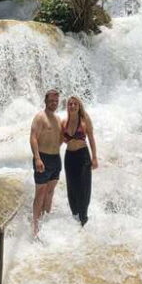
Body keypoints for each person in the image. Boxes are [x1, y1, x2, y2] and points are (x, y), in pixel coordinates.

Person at [29, 89, 63, 239]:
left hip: (56, 159)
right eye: (51, 101)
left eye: (56, 101)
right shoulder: (40, 117)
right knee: (40, 193)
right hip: (42, 159)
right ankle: (35, 228)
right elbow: (33, 138)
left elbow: (61, 138)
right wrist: (37, 158)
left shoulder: (58, 119)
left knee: (50, 192)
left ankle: (45, 223)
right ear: (46, 101)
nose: (53, 103)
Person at [61, 96, 98, 226]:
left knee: (84, 187)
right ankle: (75, 217)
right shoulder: (64, 122)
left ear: (79, 106)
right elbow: (59, 141)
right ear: (67, 106)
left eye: (75, 104)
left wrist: (94, 157)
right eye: (70, 104)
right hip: (69, 157)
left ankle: (84, 217)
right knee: (71, 188)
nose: (72, 106)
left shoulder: (84, 119)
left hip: (83, 156)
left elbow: (92, 138)